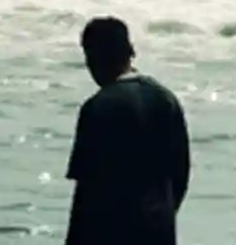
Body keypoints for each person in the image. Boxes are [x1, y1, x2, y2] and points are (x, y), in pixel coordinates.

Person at [65, 17, 190, 245]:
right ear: (130, 51)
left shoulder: (99, 106)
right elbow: (180, 175)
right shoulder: (166, 100)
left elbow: (87, 191)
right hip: (158, 232)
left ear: (94, 57)